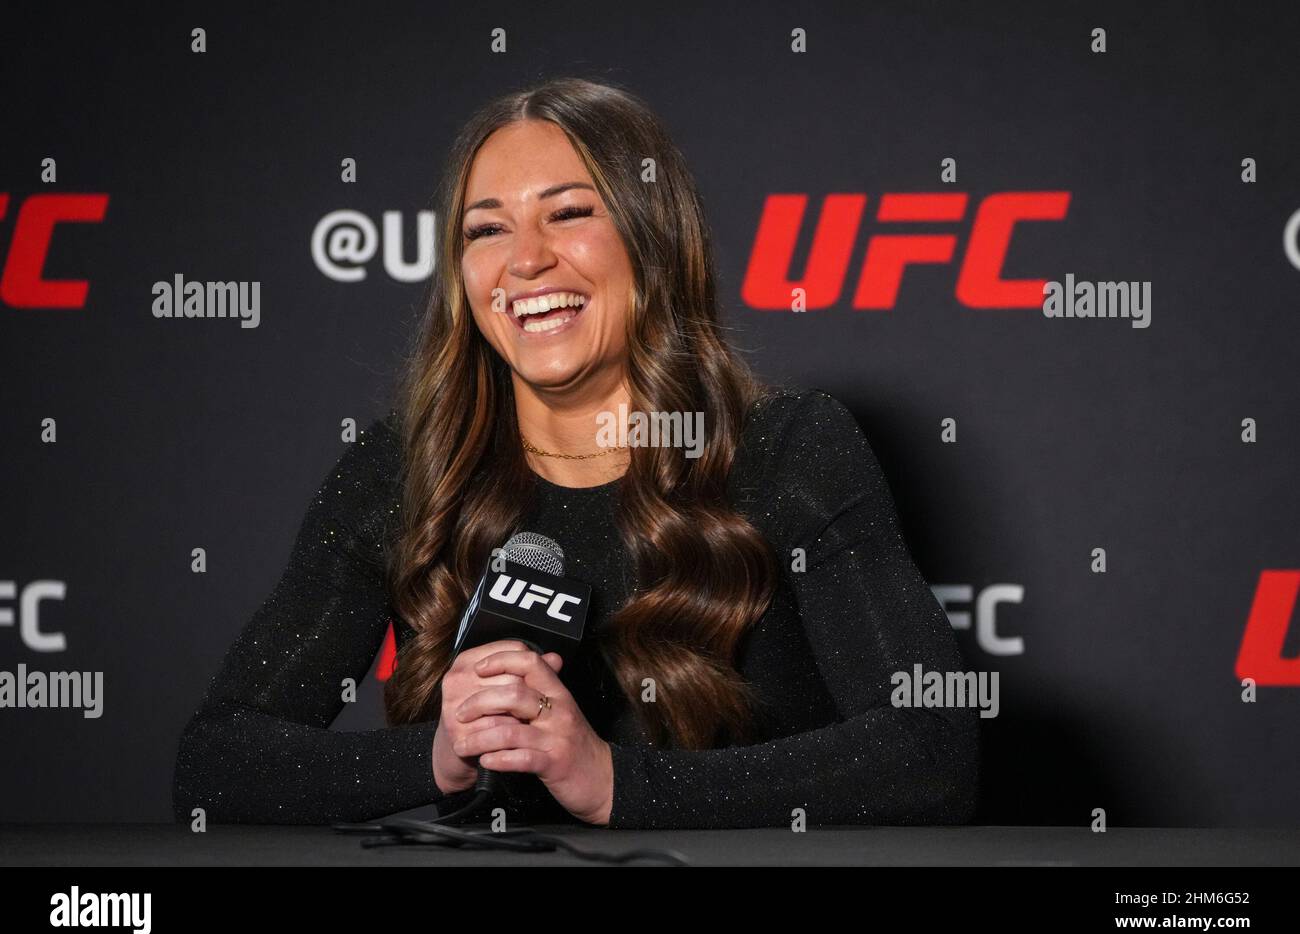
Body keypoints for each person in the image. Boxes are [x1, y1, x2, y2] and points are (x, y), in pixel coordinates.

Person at [172, 76, 980, 830]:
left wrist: (615, 783)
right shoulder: (403, 471)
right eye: (486, 229)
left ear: (652, 238)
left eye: (567, 214)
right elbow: (215, 767)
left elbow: (931, 748)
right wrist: (441, 757)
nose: (525, 260)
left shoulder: (787, 449)